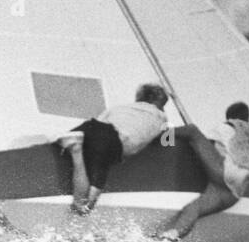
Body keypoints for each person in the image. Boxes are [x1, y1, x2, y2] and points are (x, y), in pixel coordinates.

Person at [56, 83, 170, 215]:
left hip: (91, 126)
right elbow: (168, 143)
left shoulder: (119, 108)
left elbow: (100, 123)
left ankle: (75, 147)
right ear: (160, 102)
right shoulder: (163, 119)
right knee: (84, 207)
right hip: (111, 141)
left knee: (84, 156)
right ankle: (76, 150)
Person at [157, 102, 249, 241]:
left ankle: (159, 138)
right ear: (247, 118)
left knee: (192, 131)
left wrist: (167, 136)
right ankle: (170, 238)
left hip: (227, 174)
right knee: (194, 208)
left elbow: (199, 138)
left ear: (229, 117)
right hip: (235, 191)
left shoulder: (227, 126)